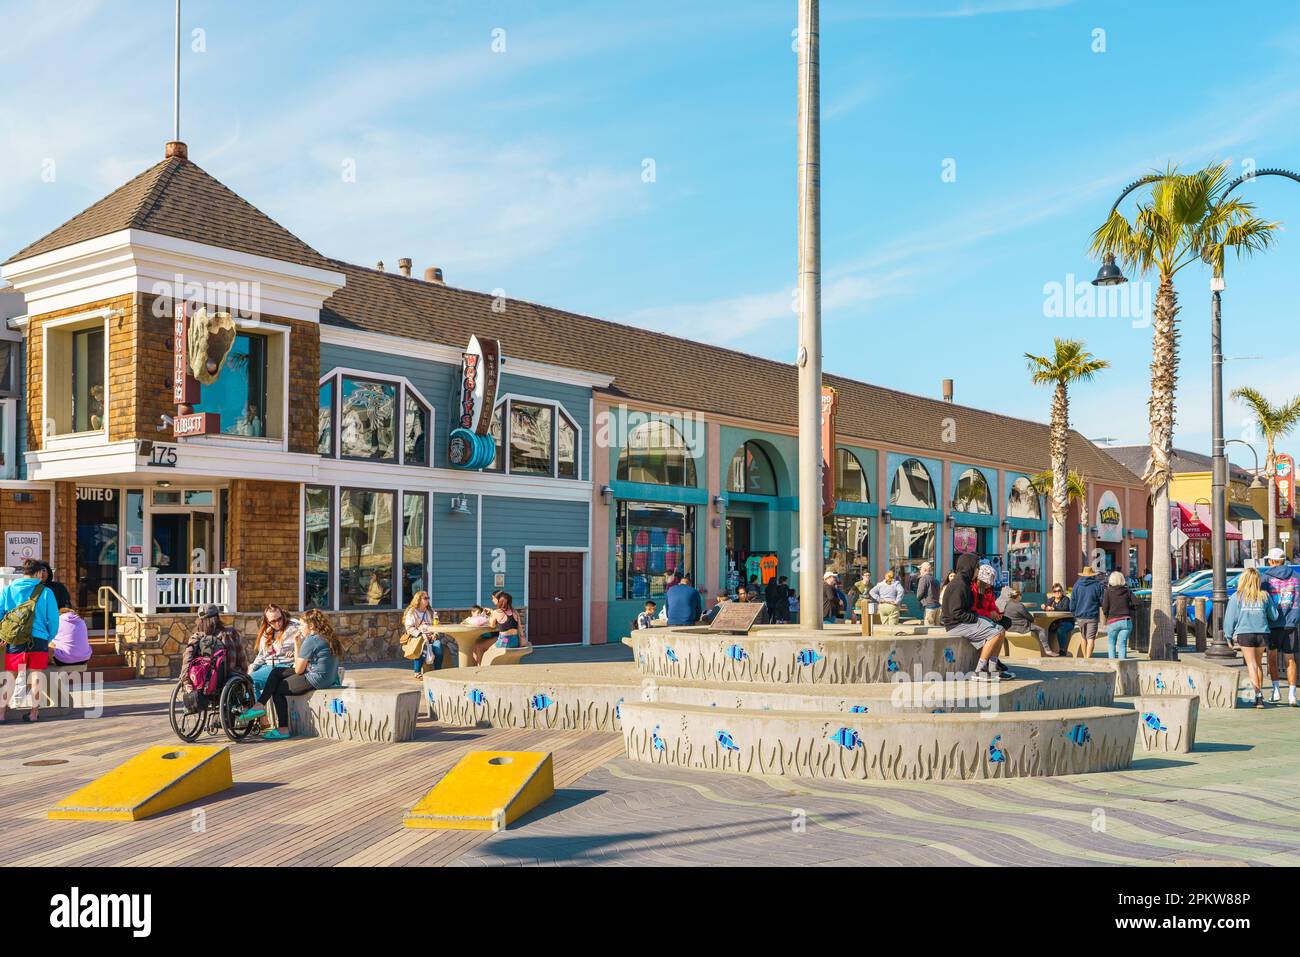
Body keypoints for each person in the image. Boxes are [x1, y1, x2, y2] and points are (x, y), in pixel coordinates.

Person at [243, 608, 341, 739]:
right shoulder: (327, 636)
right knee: (276, 672)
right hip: (327, 678)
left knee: (277, 689)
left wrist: (296, 644)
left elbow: (298, 670)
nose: (299, 628)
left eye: (301, 625)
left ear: (311, 626)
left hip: (316, 678)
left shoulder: (311, 640)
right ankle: (259, 705)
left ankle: (282, 728)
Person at [0, 558, 62, 723]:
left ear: (23, 571)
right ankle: (34, 714)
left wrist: (3, 635)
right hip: (39, 639)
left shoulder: (8, 590)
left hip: (15, 639)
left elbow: (0, 614)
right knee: (36, 676)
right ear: (37, 572)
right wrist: (47, 637)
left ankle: (1, 714)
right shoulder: (46, 592)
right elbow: (54, 621)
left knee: (10, 677)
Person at [940, 553, 1013, 680]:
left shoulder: (964, 583)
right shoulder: (959, 585)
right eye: (977, 568)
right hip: (956, 625)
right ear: (969, 567)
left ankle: (993, 668)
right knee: (995, 633)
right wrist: (976, 618)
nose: (978, 571)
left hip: (963, 621)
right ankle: (980, 670)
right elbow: (956, 612)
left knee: (1000, 630)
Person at [1225, 567, 1280, 709]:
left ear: (1243, 580)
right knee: (1258, 664)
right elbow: (1274, 616)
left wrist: (1228, 636)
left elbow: (1230, 618)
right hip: (1263, 633)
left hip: (1245, 633)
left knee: (1251, 665)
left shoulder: (1237, 596)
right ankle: (1259, 693)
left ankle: (1258, 696)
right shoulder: (1265, 596)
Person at [1259, 547, 1300, 706]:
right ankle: (1292, 695)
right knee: (1290, 659)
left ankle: (1276, 691)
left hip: (1272, 623)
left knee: (1272, 657)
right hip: (1291, 623)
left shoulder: (1266, 579)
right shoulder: (1296, 577)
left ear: (1271, 561)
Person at [249, 605, 299, 696]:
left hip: (284, 665)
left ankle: (258, 709)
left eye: (279, 619)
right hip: (267, 665)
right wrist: (253, 666)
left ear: (283, 615)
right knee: (243, 679)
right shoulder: (267, 633)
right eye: (273, 621)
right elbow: (261, 655)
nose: (278, 623)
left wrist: (295, 653)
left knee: (251, 680)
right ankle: (251, 707)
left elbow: (307, 646)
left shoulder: (295, 628)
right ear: (268, 621)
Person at [1003, 587, 1056, 656]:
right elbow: (1028, 616)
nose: (1021, 597)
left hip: (1009, 627)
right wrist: (1033, 620)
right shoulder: (1019, 605)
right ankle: (1047, 650)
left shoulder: (1008, 604)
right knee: (1041, 630)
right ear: (1018, 596)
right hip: (1020, 627)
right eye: (1020, 595)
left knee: (1035, 628)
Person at [474, 592, 522, 665]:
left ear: (500, 602)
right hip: (515, 641)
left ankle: (481, 667)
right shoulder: (515, 611)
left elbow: (492, 625)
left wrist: (490, 614)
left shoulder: (496, 612)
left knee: (480, 647)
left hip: (505, 641)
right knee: (492, 643)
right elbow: (520, 630)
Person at [402, 591, 441, 678]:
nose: (428, 600)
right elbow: (409, 628)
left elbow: (437, 625)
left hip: (431, 637)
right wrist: (421, 634)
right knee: (423, 647)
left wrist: (435, 634)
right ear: (418, 600)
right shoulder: (412, 612)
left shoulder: (431, 611)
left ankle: (438, 671)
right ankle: (417, 671)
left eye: (428, 598)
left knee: (438, 646)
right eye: (425, 598)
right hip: (418, 637)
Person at [1100, 570, 1137, 660]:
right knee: (1122, 644)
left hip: (1113, 621)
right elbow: (1138, 603)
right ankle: (1122, 666)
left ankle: (1112, 665)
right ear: (1122, 580)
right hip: (1126, 621)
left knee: (1111, 642)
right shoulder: (1127, 591)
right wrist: (1129, 609)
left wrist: (1107, 615)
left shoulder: (1108, 592)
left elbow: (1104, 607)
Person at [1069, 566, 1104, 658]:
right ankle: (1087, 658)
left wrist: (1074, 613)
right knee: (1091, 638)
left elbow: (1073, 601)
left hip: (1080, 616)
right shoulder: (1097, 585)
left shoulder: (1076, 585)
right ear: (1092, 575)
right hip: (1092, 615)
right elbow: (1102, 601)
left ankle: (1085, 657)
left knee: (1083, 637)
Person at [1043, 582, 1073, 655]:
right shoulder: (1051, 600)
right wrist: (1045, 607)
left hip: (1067, 622)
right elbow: (1047, 607)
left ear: (1062, 591)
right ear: (1053, 592)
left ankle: (1062, 650)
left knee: (1060, 630)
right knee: (1044, 628)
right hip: (1054, 622)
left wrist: (1053, 608)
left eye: (1059, 591)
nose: (1057, 593)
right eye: (1055, 591)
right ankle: (1048, 650)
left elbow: (1065, 609)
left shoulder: (1066, 599)